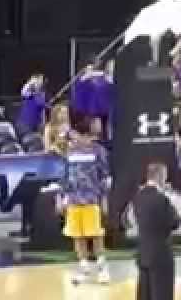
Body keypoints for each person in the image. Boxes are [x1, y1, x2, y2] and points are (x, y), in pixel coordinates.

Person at [62, 119, 111, 285]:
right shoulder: (70, 151)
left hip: (91, 199)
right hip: (74, 201)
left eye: (73, 134)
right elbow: (66, 176)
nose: (71, 137)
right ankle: (84, 268)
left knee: (96, 235)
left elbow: (105, 177)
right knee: (78, 236)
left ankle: (102, 269)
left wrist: (104, 199)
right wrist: (62, 197)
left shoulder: (98, 151)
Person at [133, 162, 181, 300]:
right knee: (161, 294)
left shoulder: (138, 197)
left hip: (143, 253)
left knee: (144, 294)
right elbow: (175, 222)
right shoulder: (162, 199)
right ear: (161, 177)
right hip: (160, 254)